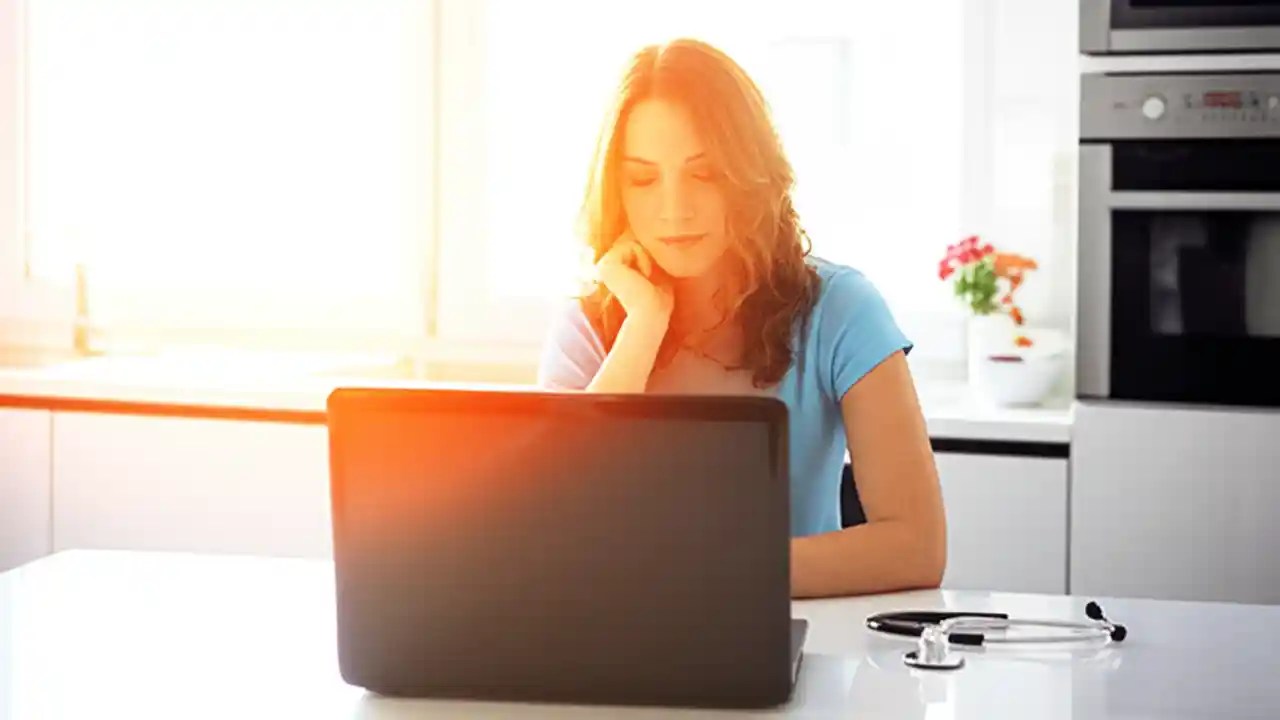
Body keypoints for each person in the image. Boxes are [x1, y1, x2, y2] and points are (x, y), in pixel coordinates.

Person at [537, 38, 946, 598]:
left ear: (749, 175)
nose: (674, 208)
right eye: (643, 178)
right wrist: (644, 326)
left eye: (703, 174)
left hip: (794, 643)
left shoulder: (841, 308)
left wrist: (707, 573)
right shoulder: (586, 325)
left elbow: (916, 547)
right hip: (617, 651)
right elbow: (545, 530)